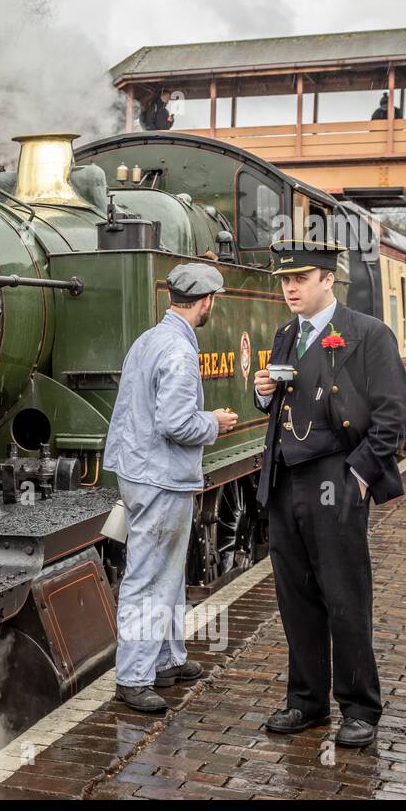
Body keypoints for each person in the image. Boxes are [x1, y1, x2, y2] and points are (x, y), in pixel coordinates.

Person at [253, 240, 406, 747]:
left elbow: (391, 418)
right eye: (284, 280)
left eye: (300, 279)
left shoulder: (368, 335)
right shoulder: (284, 335)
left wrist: (359, 476)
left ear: (328, 279)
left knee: (345, 596)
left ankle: (359, 706)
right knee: (295, 597)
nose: (290, 288)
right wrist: (261, 395)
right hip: (284, 481)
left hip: (335, 477)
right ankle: (307, 702)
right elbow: (277, 407)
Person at [104, 262, 238, 712]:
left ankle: (167, 659)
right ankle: (135, 676)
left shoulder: (150, 339)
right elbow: (177, 423)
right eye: (211, 302)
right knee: (147, 577)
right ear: (205, 302)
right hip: (160, 476)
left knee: (166, 573)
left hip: (138, 470)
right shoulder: (179, 352)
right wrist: (214, 422)